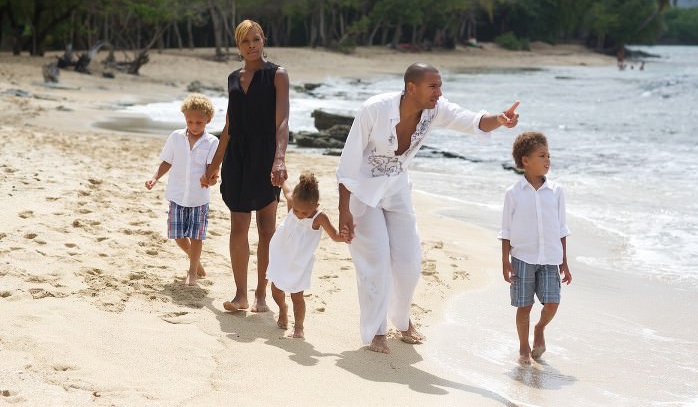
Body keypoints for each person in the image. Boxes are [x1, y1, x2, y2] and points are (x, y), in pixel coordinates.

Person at [337, 62, 521, 354]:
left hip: (396, 188)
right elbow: (347, 163)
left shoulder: (435, 110)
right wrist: (343, 211)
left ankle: (401, 319)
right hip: (361, 192)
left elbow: (473, 121)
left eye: (440, 85)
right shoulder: (374, 109)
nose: (439, 91)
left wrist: (500, 119)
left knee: (409, 262)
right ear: (411, 88)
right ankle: (376, 332)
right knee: (376, 261)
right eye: (433, 86)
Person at [203, 19, 290, 313]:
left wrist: (279, 158)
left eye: (256, 39)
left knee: (267, 229)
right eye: (245, 42)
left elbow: (282, 121)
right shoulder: (232, 78)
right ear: (238, 46)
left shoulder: (278, 75)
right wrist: (214, 164)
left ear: (263, 39)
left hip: (266, 155)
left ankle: (261, 295)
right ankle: (240, 294)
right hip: (237, 157)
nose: (251, 46)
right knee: (238, 224)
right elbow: (229, 124)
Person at [500, 131, 572, 365]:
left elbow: (562, 228)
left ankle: (539, 329)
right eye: (542, 156)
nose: (547, 160)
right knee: (524, 305)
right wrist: (505, 261)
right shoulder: (513, 194)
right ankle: (523, 347)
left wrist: (565, 262)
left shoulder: (556, 191)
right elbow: (506, 231)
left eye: (549, 155)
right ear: (525, 161)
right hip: (522, 257)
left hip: (551, 257)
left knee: (553, 302)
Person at [145, 94, 219, 287]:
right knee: (178, 236)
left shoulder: (212, 142)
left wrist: (211, 180)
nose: (194, 126)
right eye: (190, 121)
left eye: (199, 122)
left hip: (199, 198)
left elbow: (213, 170)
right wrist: (155, 178)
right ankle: (197, 262)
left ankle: (192, 271)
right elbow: (167, 161)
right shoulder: (175, 137)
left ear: (208, 120)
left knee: (196, 236)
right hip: (177, 195)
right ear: (185, 118)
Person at [267, 172, 351, 339]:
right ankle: (282, 310)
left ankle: (299, 327)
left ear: (316, 205)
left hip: (300, 261)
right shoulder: (292, 200)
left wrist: (346, 236)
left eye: (304, 213)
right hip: (281, 254)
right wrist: (281, 181)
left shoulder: (320, 217)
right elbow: (286, 189)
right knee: (276, 288)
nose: (298, 214)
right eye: (296, 210)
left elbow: (335, 236)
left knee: (297, 295)